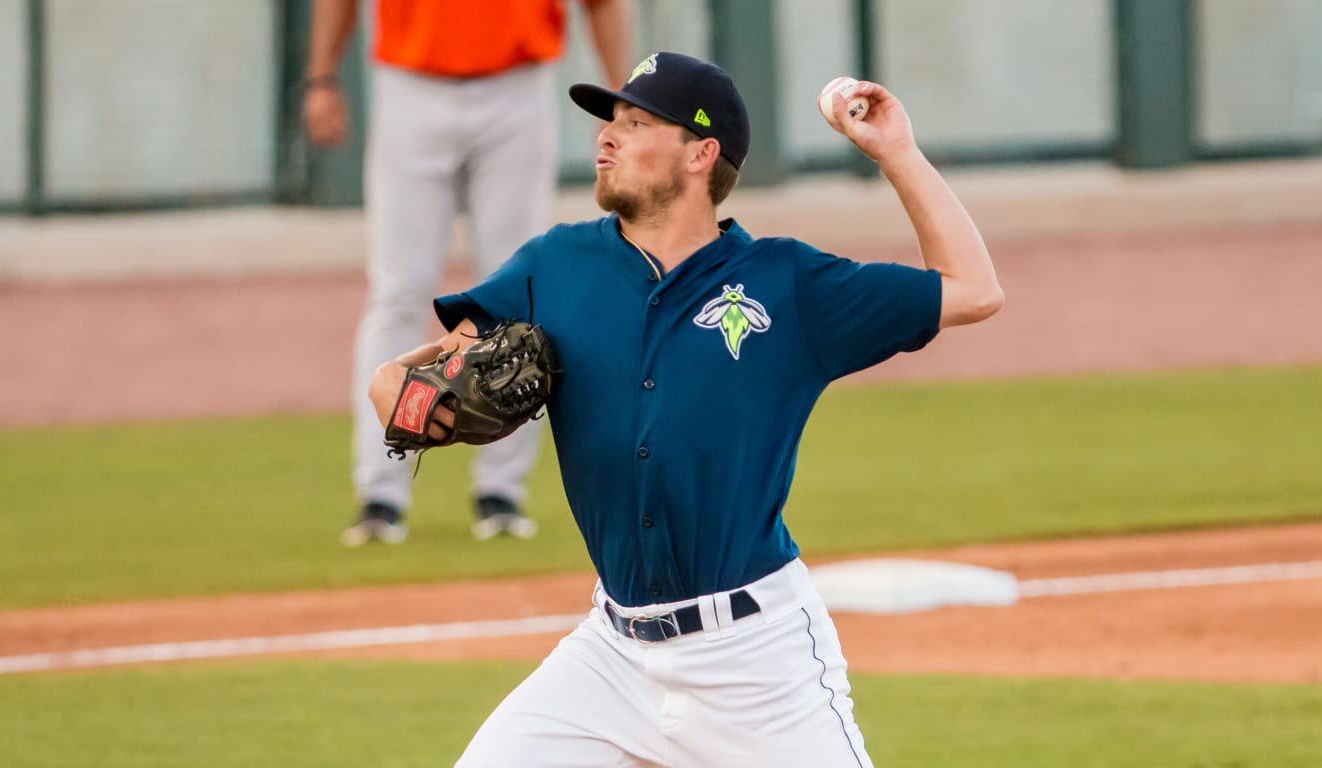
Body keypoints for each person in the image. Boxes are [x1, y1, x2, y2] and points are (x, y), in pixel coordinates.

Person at [369, 52, 1003, 766]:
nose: (607, 136)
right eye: (609, 120)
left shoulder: (789, 284)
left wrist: (897, 153)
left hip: (756, 666)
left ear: (701, 154)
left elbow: (974, 289)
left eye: (636, 123)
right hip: (611, 661)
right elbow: (435, 368)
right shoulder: (554, 264)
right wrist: (399, 388)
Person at [303, 0, 631, 545]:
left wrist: (621, 98)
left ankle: (501, 490)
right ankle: (381, 491)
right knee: (399, 290)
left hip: (518, 85)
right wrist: (321, 78)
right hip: (410, 82)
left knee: (519, 294)